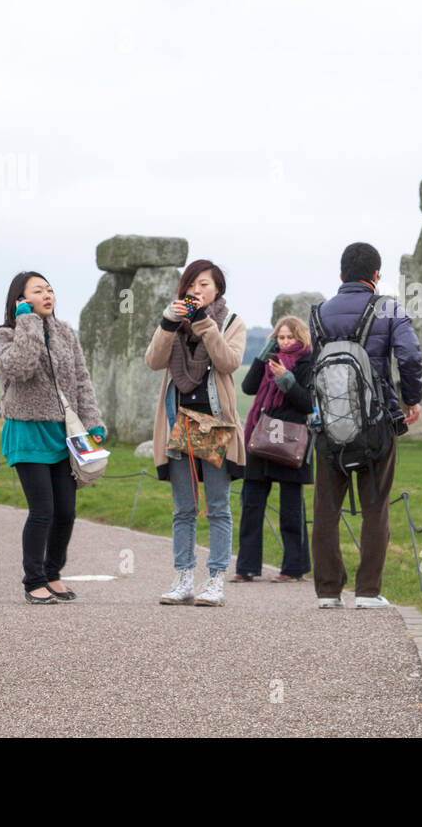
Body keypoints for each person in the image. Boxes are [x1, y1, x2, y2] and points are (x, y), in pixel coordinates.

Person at [311, 243, 422, 609]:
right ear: (376, 275)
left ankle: (328, 592)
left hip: (328, 425)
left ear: (341, 275)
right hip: (378, 424)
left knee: (326, 509)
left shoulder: (320, 313)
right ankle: (367, 592)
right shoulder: (388, 308)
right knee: (376, 506)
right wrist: (411, 398)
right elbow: (409, 355)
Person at [0, 271, 105, 604]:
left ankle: (53, 573)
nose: (47, 294)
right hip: (27, 430)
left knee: (66, 511)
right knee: (42, 510)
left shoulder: (67, 333)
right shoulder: (2, 335)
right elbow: (21, 367)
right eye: (38, 291)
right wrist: (27, 324)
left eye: (50, 289)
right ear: (20, 300)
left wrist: (93, 422)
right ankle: (33, 580)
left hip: (63, 432)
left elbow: (82, 380)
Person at [144, 258, 246, 606]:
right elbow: (154, 361)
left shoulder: (232, 322)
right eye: (191, 285)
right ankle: (184, 577)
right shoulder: (173, 323)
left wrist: (204, 324)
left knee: (217, 507)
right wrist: (167, 324)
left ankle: (215, 579)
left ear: (218, 288)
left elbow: (228, 362)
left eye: (204, 284)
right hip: (178, 422)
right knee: (183, 509)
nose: (196, 290)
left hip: (214, 422)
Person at [237, 315, 314, 583]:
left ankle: (293, 568)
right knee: (251, 503)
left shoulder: (307, 362)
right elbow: (247, 387)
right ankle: (246, 566)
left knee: (292, 507)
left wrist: (287, 379)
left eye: (289, 337)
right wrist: (262, 357)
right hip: (261, 433)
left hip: (290, 437)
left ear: (300, 338)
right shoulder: (270, 360)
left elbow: (307, 403)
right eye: (280, 337)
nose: (284, 342)